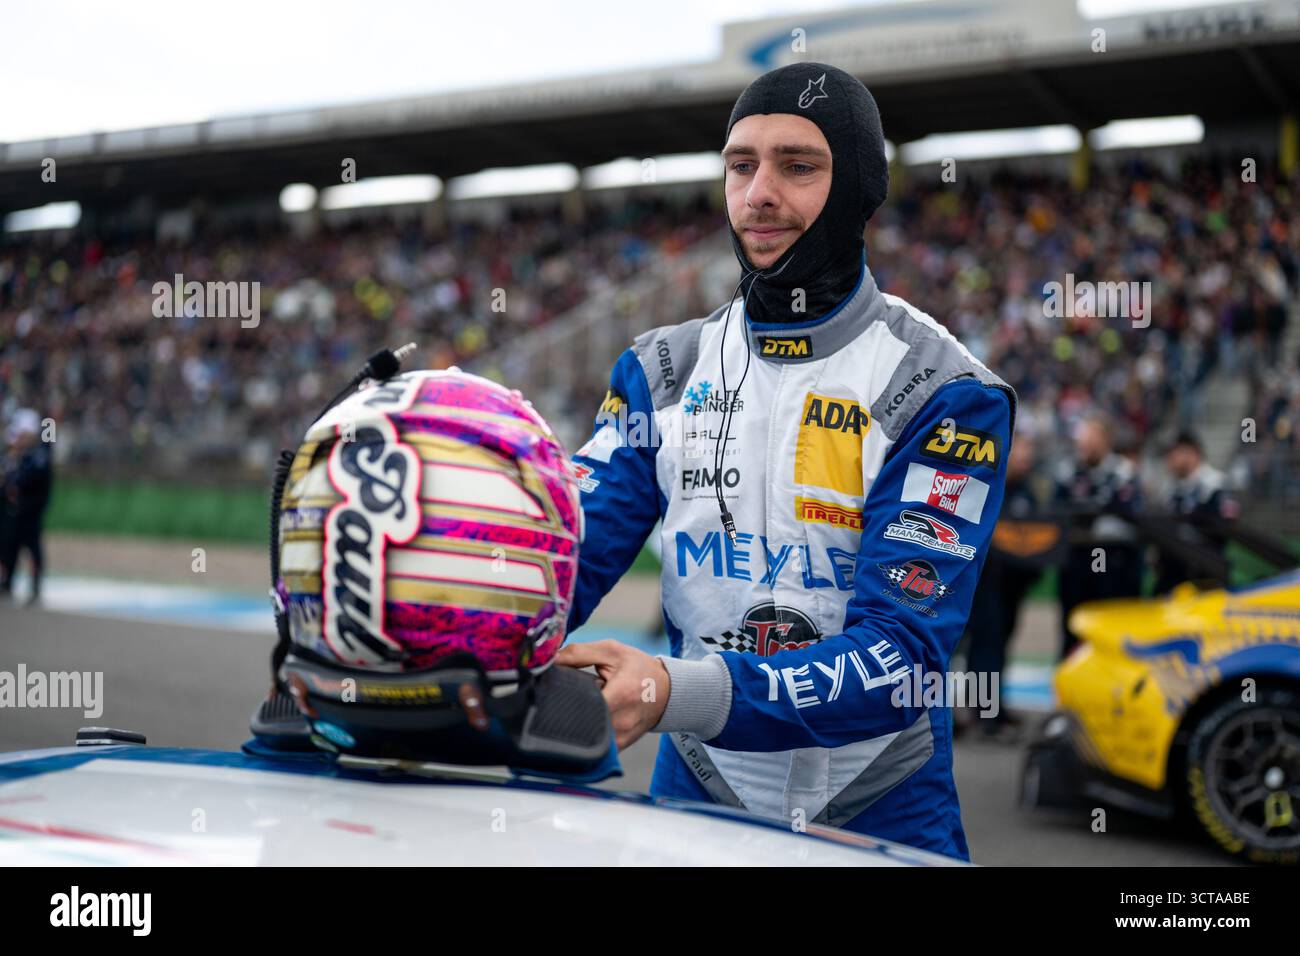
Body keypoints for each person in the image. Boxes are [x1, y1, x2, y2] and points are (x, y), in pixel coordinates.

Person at [554, 62, 1015, 861]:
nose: (759, 194)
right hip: (699, 784)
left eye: (796, 166)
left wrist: (670, 689)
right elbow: (561, 565)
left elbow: (898, 657)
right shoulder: (660, 371)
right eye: (741, 165)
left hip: (881, 799)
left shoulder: (942, 391)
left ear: (858, 189)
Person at [959, 431, 1043, 738]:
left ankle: (994, 711)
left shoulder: (1028, 492)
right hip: (980, 585)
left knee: (998, 648)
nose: (1025, 458)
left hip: (1010, 586)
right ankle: (984, 716)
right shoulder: (987, 485)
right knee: (983, 648)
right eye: (1020, 452)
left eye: (1028, 454)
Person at [1052, 414, 1143, 658]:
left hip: (1112, 563)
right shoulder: (1068, 471)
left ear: (1106, 440)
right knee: (1072, 624)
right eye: (1084, 438)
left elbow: (1126, 515)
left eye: (1094, 438)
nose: (1088, 444)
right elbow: (1057, 511)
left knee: (1110, 624)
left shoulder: (1123, 473)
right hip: (1075, 562)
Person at [1153, 430, 1238, 594]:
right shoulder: (1170, 489)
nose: (1169, 459)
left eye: (1174, 453)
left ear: (1192, 454)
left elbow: (1224, 529)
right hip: (1171, 574)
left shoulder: (1215, 484)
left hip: (1202, 575)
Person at [0, 410, 53, 606]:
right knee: (9, 548)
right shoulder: (16, 458)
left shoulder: (40, 453)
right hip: (14, 513)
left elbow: (49, 434)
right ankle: (7, 582)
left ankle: (36, 587)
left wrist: (49, 420)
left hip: (31, 512)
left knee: (33, 550)